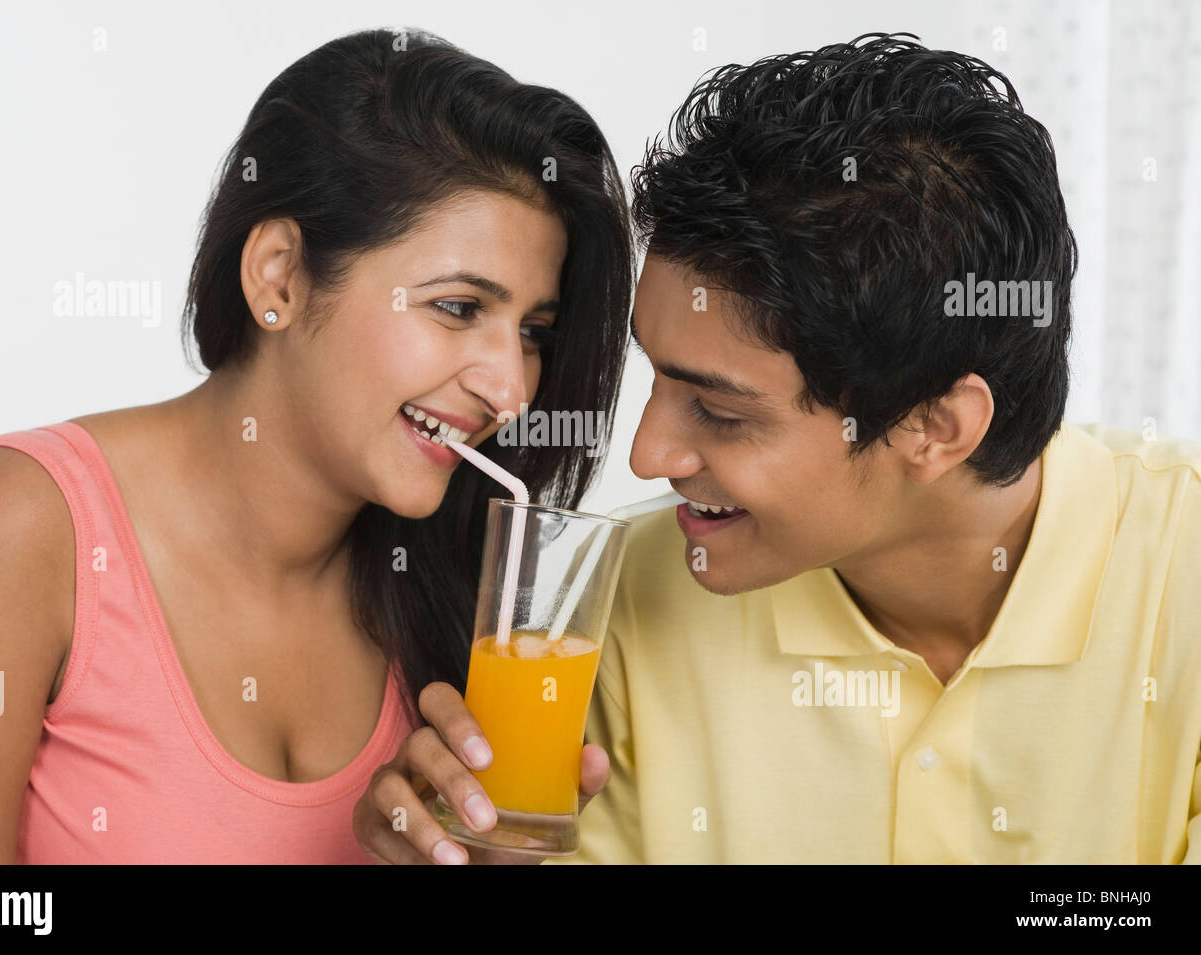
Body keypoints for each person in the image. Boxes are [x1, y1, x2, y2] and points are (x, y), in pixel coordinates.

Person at [353, 33, 1201, 864]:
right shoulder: (621, 613)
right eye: (656, 376)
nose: (647, 455)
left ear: (936, 427)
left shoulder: (1181, 575)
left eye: (719, 410)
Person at [0, 28, 632, 863]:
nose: (512, 388)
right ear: (279, 275)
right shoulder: (20, 528)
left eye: (533, 330)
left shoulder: (459, 594)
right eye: (459, 308)